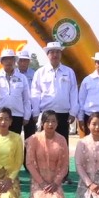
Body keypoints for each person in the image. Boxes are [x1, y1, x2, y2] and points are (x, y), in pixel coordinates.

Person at [30, 42, 79, 185]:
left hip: (63, 113)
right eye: (52, 52)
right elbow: (35, 93)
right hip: (45, 114)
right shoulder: (40, 72)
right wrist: (36, 113)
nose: (55, 55)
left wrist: (73, 112)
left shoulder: (69, 72)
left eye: (57, 52)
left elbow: (73, 92)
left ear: (61, 54)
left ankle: (63, 175)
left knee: (62, 145)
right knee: (44, 145)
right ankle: (43, 174)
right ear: (47, 55)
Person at [25, 110, 68, 198]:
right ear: (42, 123)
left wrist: (56, 182)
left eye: (53, 121)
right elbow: (29, 163)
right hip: (39, 181)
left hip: (54, 182)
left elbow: (65, 164)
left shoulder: (62, 140)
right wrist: (41, 183)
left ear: (57, 123)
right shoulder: (34, 139)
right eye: (47, 121)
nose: (50, 124)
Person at [0, 49, 31, 134]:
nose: (9, 62)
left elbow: (26, 99)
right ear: (1, 62)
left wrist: (26, 116)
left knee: (14, 141)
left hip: (16, 116)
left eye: (11, 59)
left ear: (14, 61)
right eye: (6, 59)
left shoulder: (22, 78)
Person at [16, 50, 37, 140]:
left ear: (29, 61)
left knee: (30, 137)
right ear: (17, 62)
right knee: (15, 135)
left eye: (25, 60)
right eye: (20, 60)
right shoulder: (13, 73)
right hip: (17, 107)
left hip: (30, 107)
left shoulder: (34, 74)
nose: (23, 63)